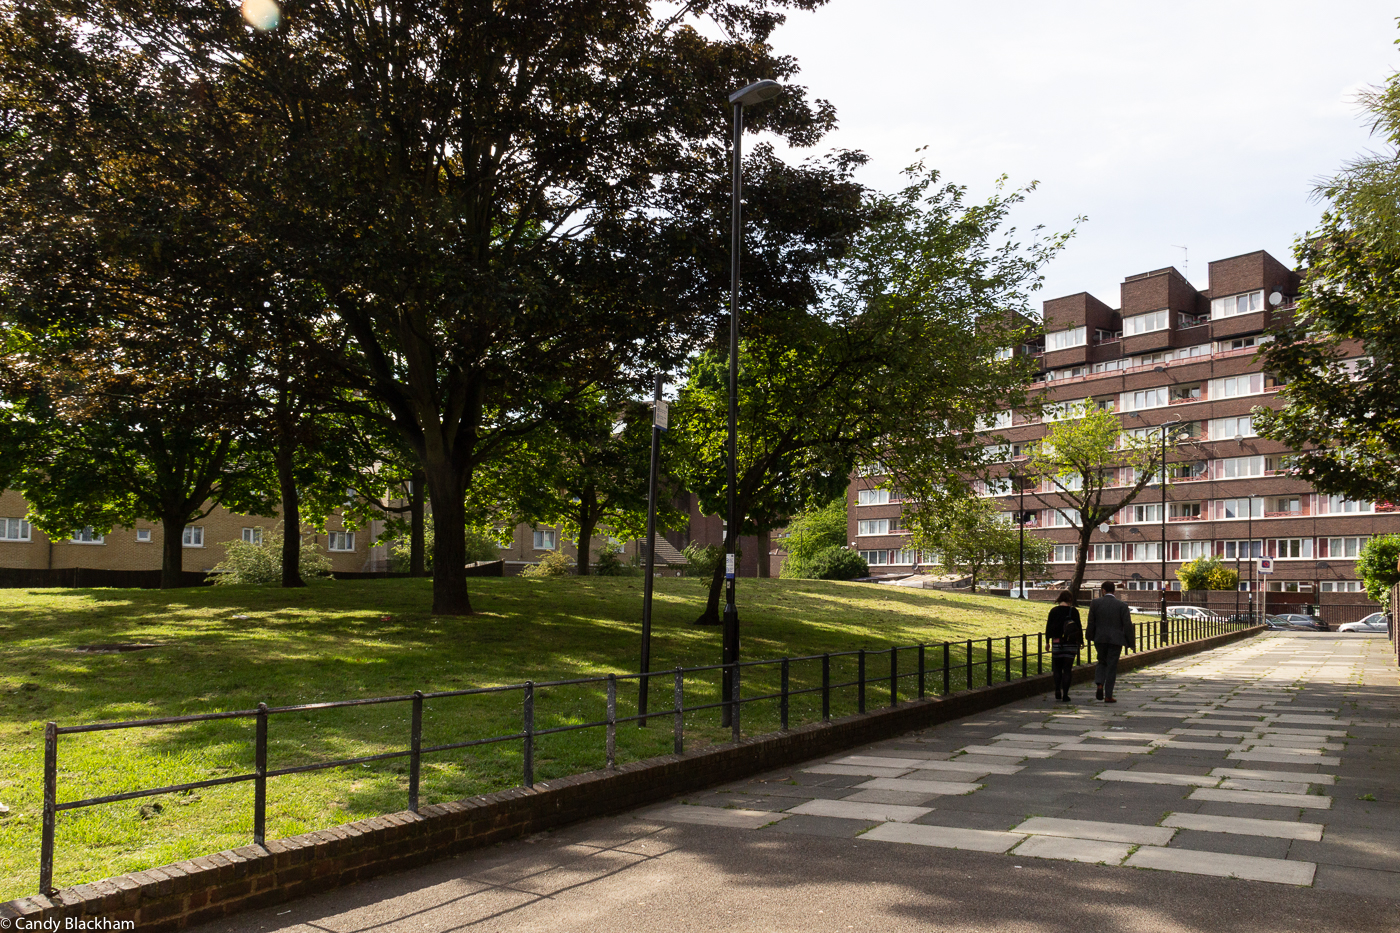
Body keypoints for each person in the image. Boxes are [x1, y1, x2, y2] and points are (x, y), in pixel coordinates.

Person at [1086, 581, 1135, 703]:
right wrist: (1131, 642)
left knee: (1101, 661)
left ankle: (1099, 684)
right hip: (1115, 640)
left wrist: (1089, 636)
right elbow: (1127, 625)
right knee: (1112, 666)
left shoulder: (1095, 603)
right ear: (1114, 591)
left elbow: (1091, 622)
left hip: (1100, 639)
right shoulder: (1121, 605)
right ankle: (1108, 695)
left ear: (1103, 590)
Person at [1044, 590, 1083, 702]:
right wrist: (1080, 642)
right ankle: (1065, 694)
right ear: (1070, 599)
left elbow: (1048, 627)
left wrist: (1047, 642)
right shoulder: (1073, 611)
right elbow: (1078, 627)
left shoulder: (1054, 611)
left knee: (1056, 668)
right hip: (1070, 644)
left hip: (1057, 643)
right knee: (1067, 669)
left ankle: (1057, 689)